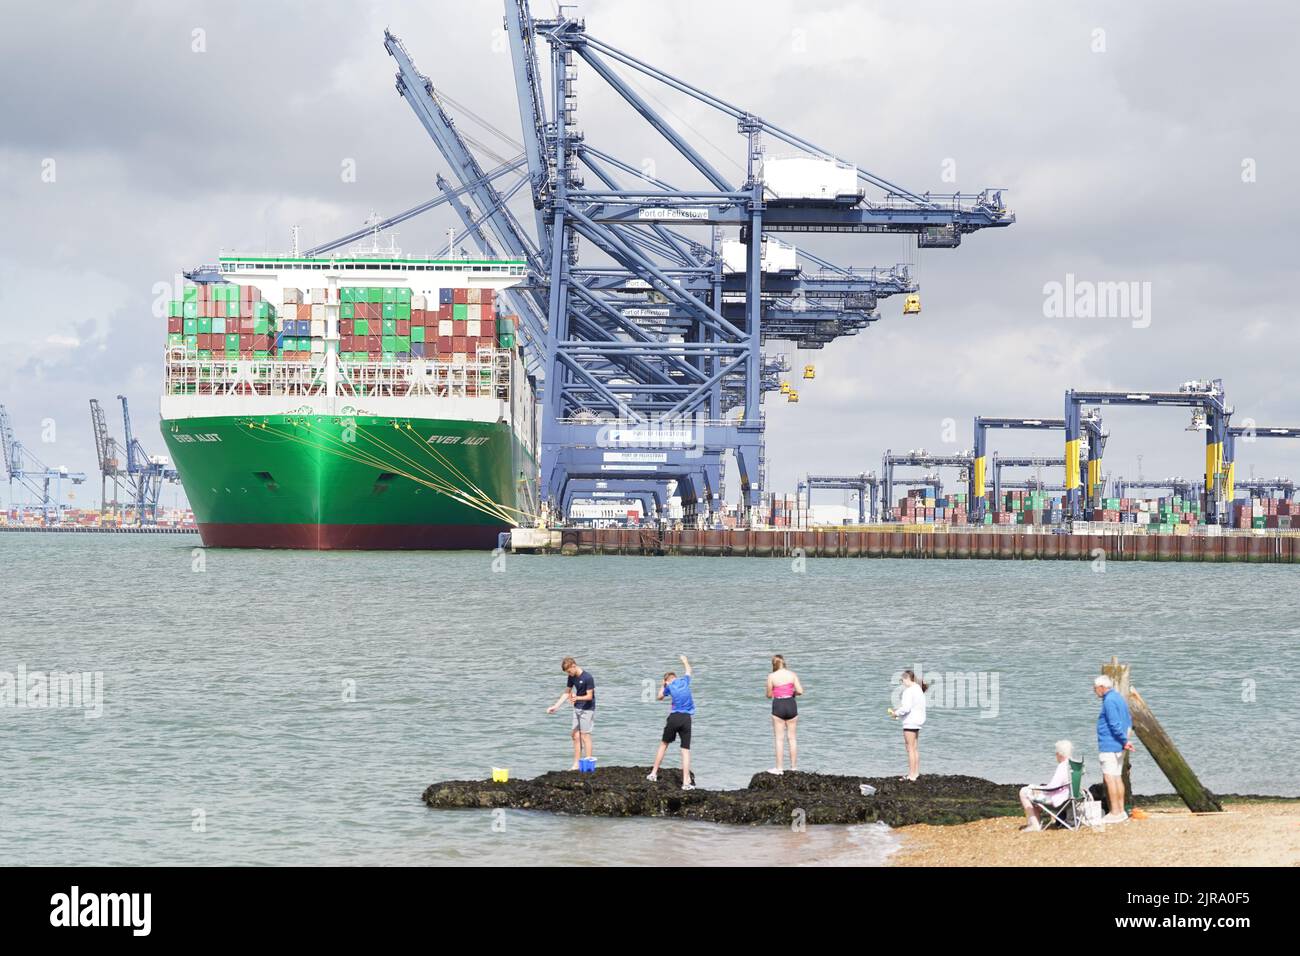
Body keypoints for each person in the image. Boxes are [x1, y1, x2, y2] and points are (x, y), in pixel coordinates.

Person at [647, 655, 695, 790]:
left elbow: (659, 697)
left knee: (663, 744)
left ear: (667, 680)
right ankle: (686, 783)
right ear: (675, 677)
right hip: (686, 719)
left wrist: (663, 685)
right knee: (685, 751)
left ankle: (653, 773)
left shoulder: (669, 686)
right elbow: (688, 670)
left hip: (674, 718)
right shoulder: (684, 681)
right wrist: (685, 661)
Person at [1094, 675, 1134, 823]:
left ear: (1102, 687)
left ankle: (1115, 812)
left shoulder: (1109, 701)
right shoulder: (1118, 697)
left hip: (1110, 745)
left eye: (1095, 689)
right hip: (1119, 744)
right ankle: (1121, 811)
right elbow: (1128, 719)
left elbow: (1114, 724)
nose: (1095, 692)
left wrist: (1124, 740)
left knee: (1109, 778)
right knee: (1117, 776)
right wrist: (1126, 740)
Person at [546, 657, 595, 770]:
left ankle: (588, 764)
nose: (569, 674)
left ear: (574, 665)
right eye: (567, 672)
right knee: (575, 736)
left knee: (585, 735)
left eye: (569, 671)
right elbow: (566, 693)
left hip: (587, 709)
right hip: (577, 708)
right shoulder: (571, 677)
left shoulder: (588, 677)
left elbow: (589, 696)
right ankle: (576, 764)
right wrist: (556, 706)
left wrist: (576, 697)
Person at [1018, 740, 1075, 831]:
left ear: (1059, 754)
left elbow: (1052, 787)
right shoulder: (1074, 764)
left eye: (1056, 753)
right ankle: (1036, 822)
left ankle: (1034, 825)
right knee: (1033, 792)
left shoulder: (1062, 766)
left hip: (1060, 800)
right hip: (1071, 798)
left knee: (1023, 792)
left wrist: (1035, 787)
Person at [766, 654, 805, 774]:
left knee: (779, 739)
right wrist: (791, 693)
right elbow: (800, 691)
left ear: (774, 664)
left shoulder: (771, 676)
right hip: (791, 704)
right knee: (792, 738)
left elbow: (768, 695)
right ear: (784, 663)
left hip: (779, 705)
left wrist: (777, 691)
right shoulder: (792, 674)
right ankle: (794, 768)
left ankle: (779, 768)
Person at [888, 669, 928, 781]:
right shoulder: (919, 690)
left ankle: (911, 775)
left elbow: (906, 708)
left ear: (906, 679)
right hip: (918, 721)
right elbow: (914, 708)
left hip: (910, 722)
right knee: (914, 748)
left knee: (910, 749)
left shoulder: (909, 691)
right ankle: (915, 774)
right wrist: (899, 715)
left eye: (902, 680)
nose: (902, 683)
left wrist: (896, 713)